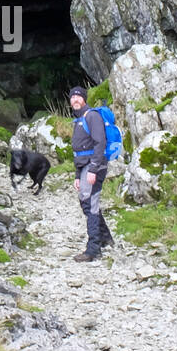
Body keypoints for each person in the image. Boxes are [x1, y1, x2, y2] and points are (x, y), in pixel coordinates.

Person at [68, 86, 114, 262]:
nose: (75, 100)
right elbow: (79, 151)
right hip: (85, 167)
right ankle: (105, 237)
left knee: (89, 202)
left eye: (78, 97)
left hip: (95, 166)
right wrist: (77, 176)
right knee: (87, 202)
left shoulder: (92, 116)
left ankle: (93, 250)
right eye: (72, 98)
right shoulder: (79, 120)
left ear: (84, 99)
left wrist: (93, 169)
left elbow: (100, 143)